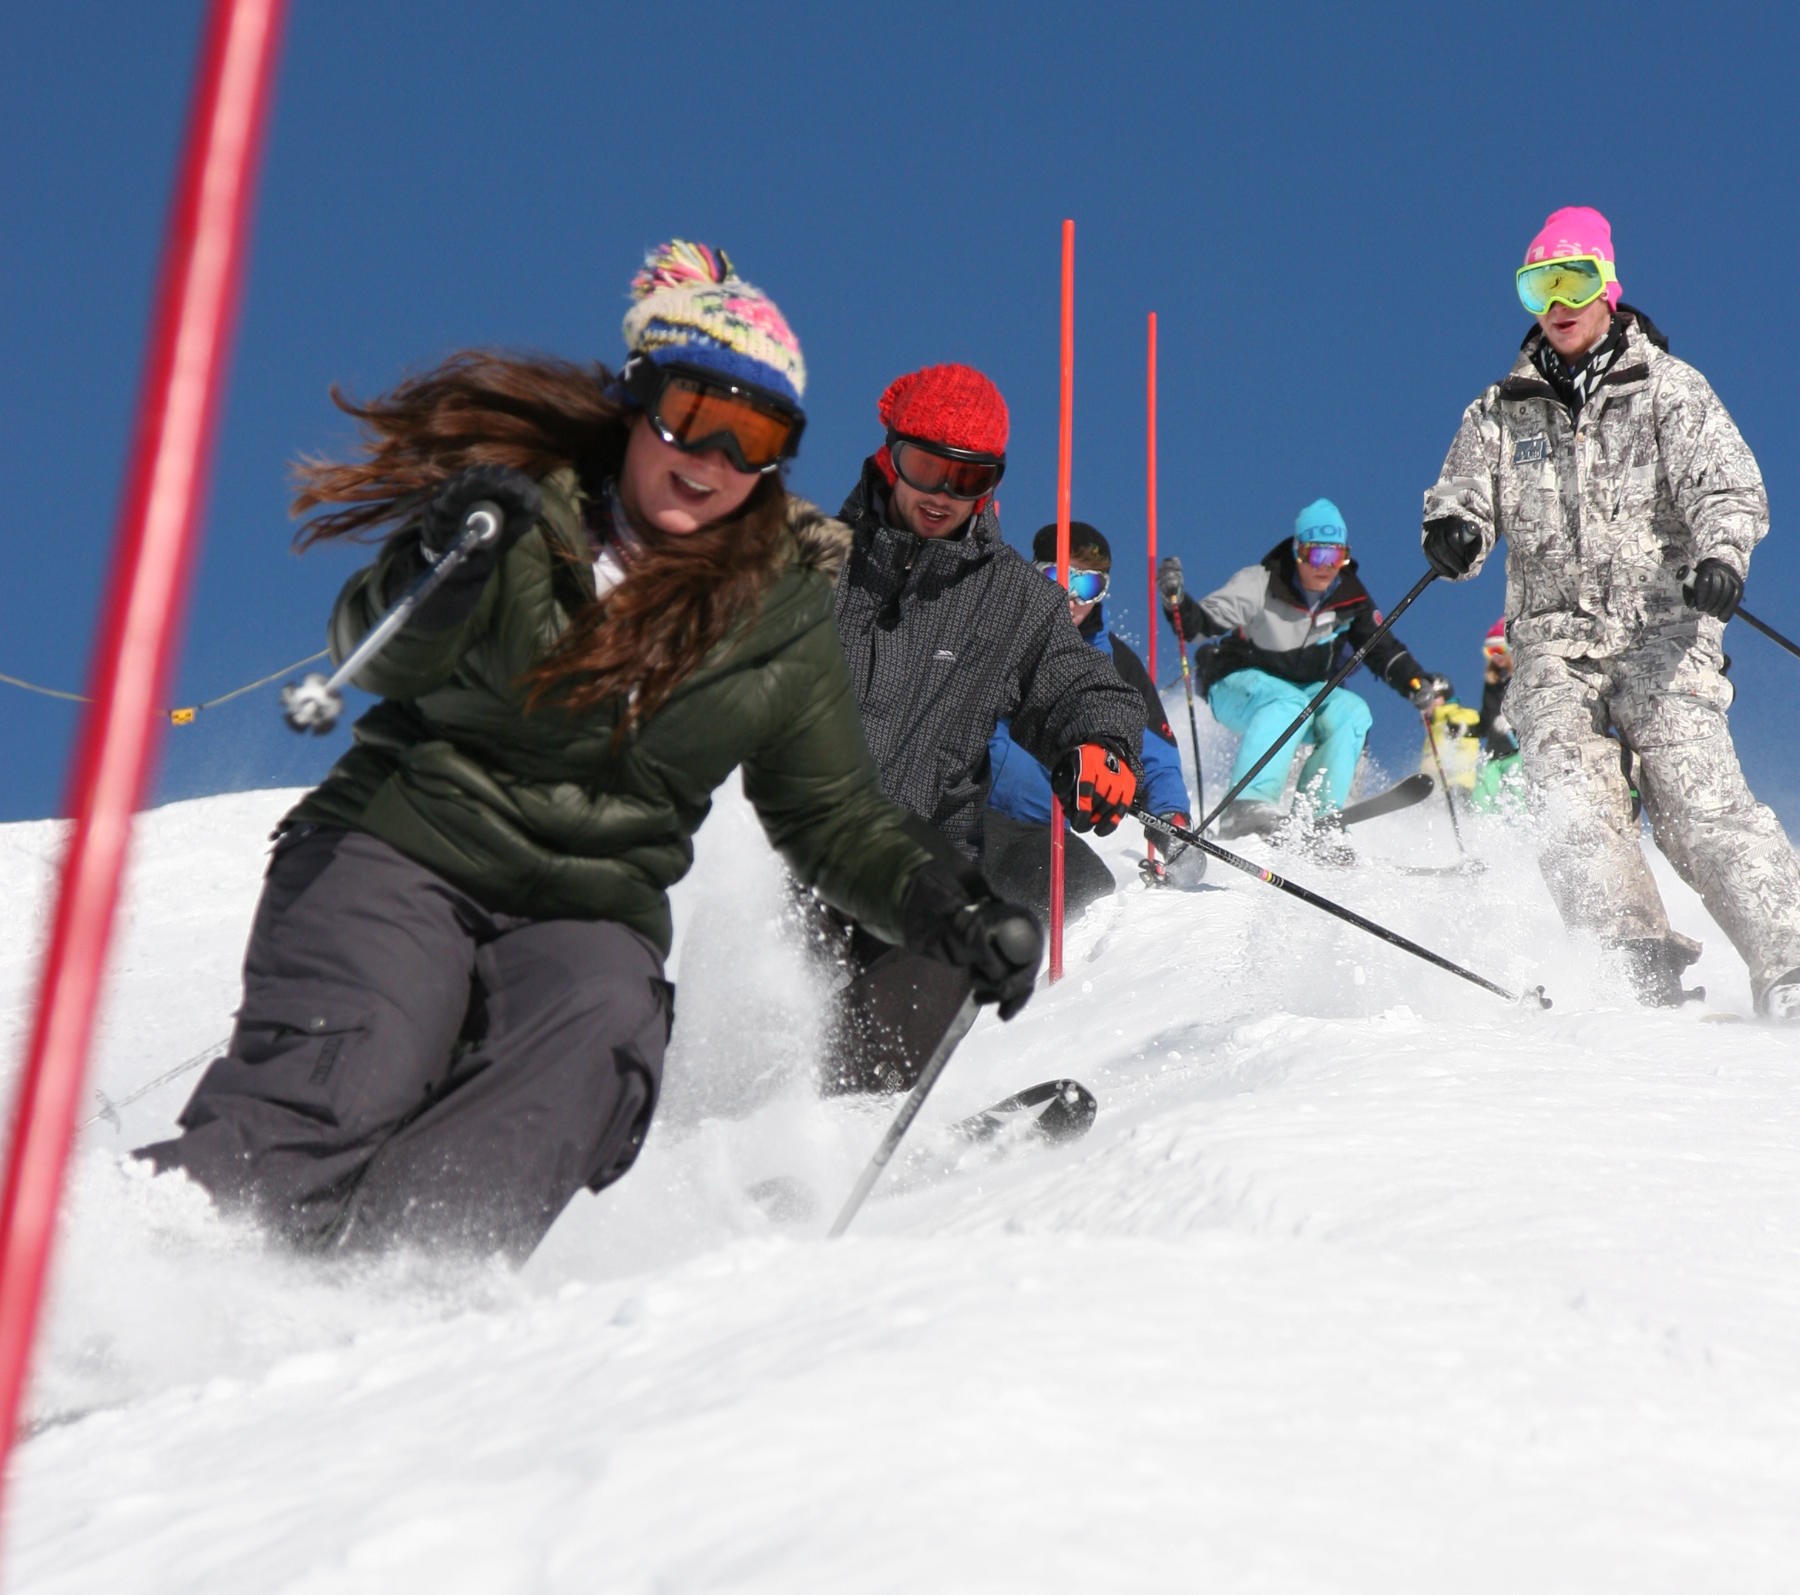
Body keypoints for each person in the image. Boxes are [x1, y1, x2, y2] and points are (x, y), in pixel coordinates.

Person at [136, 242, 1043, 1262]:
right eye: (692, 415)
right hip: (407, 849)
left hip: (590, 907)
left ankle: (401, 1286)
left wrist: (944, 902)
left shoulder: (777, 608)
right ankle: (139, 1285)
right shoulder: (525, 513)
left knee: (599, 1038)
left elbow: (830, 812)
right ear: (635, 401)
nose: (710, 458)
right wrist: (445, 564)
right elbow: (374, 651)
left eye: (751, 436)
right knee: (355, 1070)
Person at [1420, 205, 1800, 1017]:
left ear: (1608, 286)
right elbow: (1463, 496)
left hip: (1664, 632)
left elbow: (1728, 485)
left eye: (1574, 278)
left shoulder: (1667, 387)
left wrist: (1721, 558)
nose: (1557, 301)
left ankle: (1789, 960)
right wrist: (1455, 529)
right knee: (1573, 802)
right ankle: (1628, 959)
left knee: (1699, 803)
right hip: (1554, 641)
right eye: (1538, 284)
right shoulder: (1500, 411)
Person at [816, 363, 1149, 1094]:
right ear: (888, 454)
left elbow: (1083, 681)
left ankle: (844, 1137)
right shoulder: (812, 562)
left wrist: (1101, 742)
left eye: (966, 479)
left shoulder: (1015, 603)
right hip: (792, 857)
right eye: (924, 466)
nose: (940, 494)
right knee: (762, 1000)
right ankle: (724, 1142)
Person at [1157, 498, 1450, 843]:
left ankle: (1316, 814)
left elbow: (1382, 649)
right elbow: (1199, 624)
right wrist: (1176, 601)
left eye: (1336, 556)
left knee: (1353, 713)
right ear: (1298, 551)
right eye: (1317, 555)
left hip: (1305, 692)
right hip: (1235, 684)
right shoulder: (1261, 583)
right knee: (1288, 704)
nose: (1326, 567)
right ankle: (1246, 806)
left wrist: (1414, 683)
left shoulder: (1349, 599)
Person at [985, 520, 1202, 916]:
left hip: (1038, 834)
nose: (1069, 597)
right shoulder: (995, 630)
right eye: (1055, 577)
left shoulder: (1116, 665)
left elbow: (1153, 754)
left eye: (1086, 587)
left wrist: (1172, 821)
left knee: (1087, 894)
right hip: (964, 808)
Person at [1467, 619, 1525, 813]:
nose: (1496, 657)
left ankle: (1526, 836)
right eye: (1491, 652)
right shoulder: (1492, 684)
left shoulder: (1523, 678)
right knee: (1481, 797)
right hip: (1495, 754)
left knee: (1519, 799)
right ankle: (1478, 836)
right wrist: (1465, 731)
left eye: (1499, 650)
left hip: (1517, 753)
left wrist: (1512, 722)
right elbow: (1486, 722)